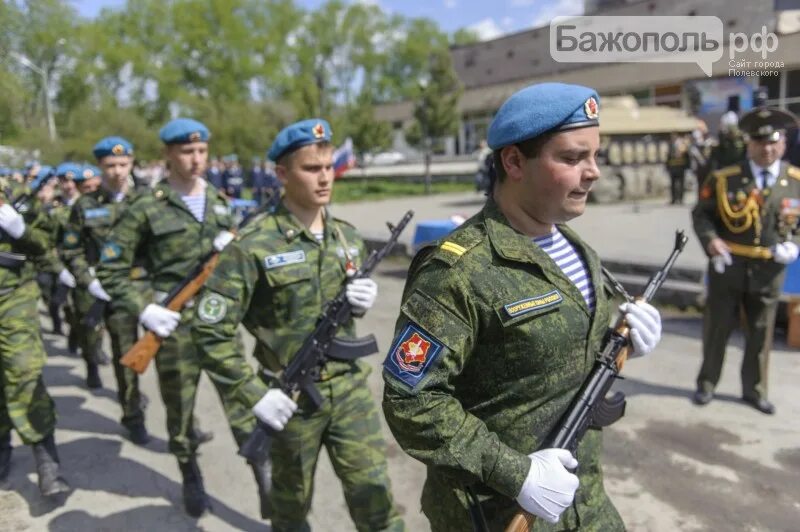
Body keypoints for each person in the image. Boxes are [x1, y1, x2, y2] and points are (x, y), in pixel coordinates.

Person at [381, 83, 663, 530]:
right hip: (497, 509)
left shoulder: (576, 248)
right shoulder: (457, 270)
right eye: (572, 158)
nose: (593, 173)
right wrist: (519, 473)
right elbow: (410, 402)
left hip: (582, 496)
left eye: (595, 156)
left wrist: (625, 341)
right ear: (513, 162)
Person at [191, 118, 405, 531]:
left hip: (348, 391)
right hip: (289, 400)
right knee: (289, 513)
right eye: (311, 169)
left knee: (376, 501)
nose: (324, 178)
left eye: (328, 167)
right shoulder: (252, 245)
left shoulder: (347, 237)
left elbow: (334, 312)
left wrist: (360, 303)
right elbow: (209, 331)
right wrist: (253, 394)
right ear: (282, 174)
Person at [95, 118, 235, 517]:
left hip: (219, 322)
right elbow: (110, 269)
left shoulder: (221, 202)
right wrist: (145, 308)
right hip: (172, 326)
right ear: (168, 156)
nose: (196, 159)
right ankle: (189, 471)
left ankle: (263, 472)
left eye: (202, 151)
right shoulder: (146, 206)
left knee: (243, 402)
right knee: (180, 408)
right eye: (187, 152)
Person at [692, 106, 800, 415]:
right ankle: (707, 384)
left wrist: (795, 246)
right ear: (748, 144)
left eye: (773, 142)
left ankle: (755, 390)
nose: (766, 149)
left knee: (760, 333)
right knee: (717, 330)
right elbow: (702, 215)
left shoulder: (795, 181)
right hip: (729, 266)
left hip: (769, 269)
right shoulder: (725, 178)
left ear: (783, 144)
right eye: (759, 142)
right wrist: (712, 242)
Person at [61, 137, 153, 442]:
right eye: (110, 165)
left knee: (174, 358)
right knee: (125, 353)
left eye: (123, 164)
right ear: (99, 166)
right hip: (112, 288)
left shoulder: (149, 198)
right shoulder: (85, 206)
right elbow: (71, 250)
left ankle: (185, 423)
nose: (117, 171)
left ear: (132, 163)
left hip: (149, 285)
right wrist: (89, 281)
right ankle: (133, 414)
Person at [0, 171, 71, 497]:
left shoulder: (17, 195)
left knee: (24, 371)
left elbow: (47, 246)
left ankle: (46, 459)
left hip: (13, 295)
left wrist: (19, 228)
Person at [666, 133, 690, 204]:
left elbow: (687, 157)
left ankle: (681, 199)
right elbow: (668, 158)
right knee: (672, 184)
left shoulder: (683, 146)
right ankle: (673, 199)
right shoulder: (670, 146)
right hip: (673, 167)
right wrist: (667, 167)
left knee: (681, 184)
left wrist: (687, 166)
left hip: (681, 167)